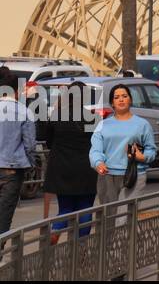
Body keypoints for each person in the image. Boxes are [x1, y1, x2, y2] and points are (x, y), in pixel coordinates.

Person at [37, 82, 98, 241]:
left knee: (65, 208)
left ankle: (56, 230)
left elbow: (49, 142)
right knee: (85, 208)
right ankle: (81, 245)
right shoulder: (93, 118)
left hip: (62, 168)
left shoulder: (57, 116)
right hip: (86, 169)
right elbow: (97, 144)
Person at [89, 83, 157, 206]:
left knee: (125, 218)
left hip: (134, 176)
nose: (121, 99)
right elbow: (95, 150)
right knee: (108, 218)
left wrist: (142, 157)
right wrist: (98, 162)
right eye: (116, 97)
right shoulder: (103, 125)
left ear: (130, 100)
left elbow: (151, 150)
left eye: (124, 96)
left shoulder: (143, 124)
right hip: (108, 175)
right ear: (112, 103)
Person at [0, 69, 36, 235]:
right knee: (4, 216)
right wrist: (30, 164)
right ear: (15, 91)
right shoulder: (24, 111)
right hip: (12, 169)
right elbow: (29, 144)